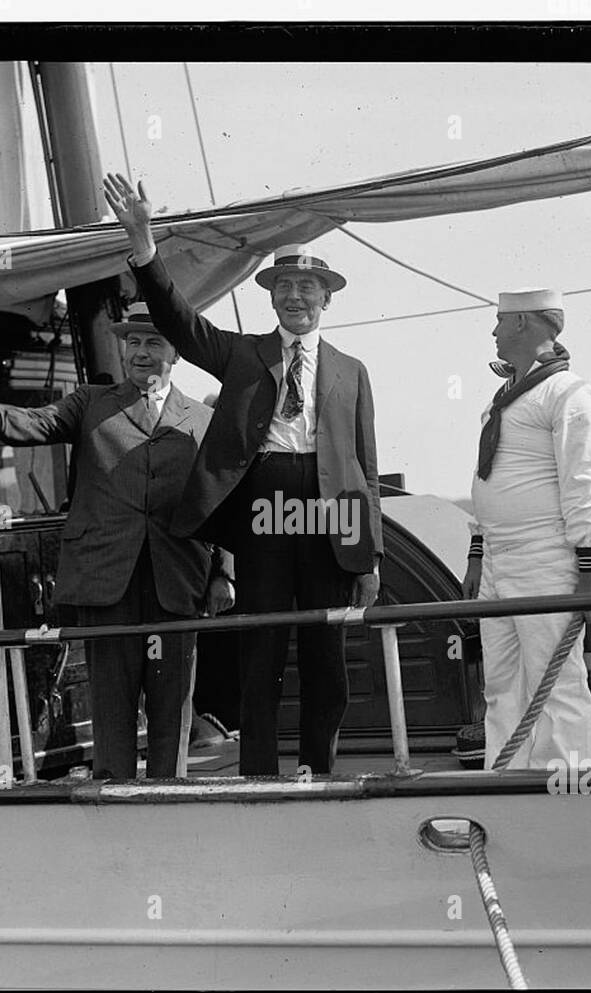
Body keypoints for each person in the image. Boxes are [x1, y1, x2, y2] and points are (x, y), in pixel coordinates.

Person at [103, 173, 382, 777]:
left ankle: (318, 771)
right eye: (285, 286)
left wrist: (371, 556)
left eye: (308, 287)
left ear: (326, 298)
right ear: (271, 296)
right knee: (262, 649)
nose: (296, 297)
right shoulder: (242, 355)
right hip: (263, 502)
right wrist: (144, 244)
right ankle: (259, 770)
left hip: (329, 513)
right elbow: (180, 323)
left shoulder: (352, 371)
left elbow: (366, 468)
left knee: (325, 653)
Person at [0, 303, 233, 779]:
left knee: (172, 706)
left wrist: (223, 574)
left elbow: (220, 502)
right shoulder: (90, 403)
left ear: (177, 352)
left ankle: (170, 796)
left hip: (177, 577)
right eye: (134, 342)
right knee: (112, 705)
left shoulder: (204, 421)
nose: (142, 353)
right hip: (107, 580)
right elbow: (39, 422)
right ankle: (115, 797)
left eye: (154, 342)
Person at [463, 288, 591, 770]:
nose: (493, 332)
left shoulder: (568, 394)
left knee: (555, 680)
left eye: (500, 322)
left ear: (523, 323)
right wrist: (477, 556)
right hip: (498, 561)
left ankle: (562, 787)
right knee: (501, 683)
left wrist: (590, 569)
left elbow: (584, 481)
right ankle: (504, 781)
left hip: (545, 556)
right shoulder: (504, 397)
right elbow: (490, 480)